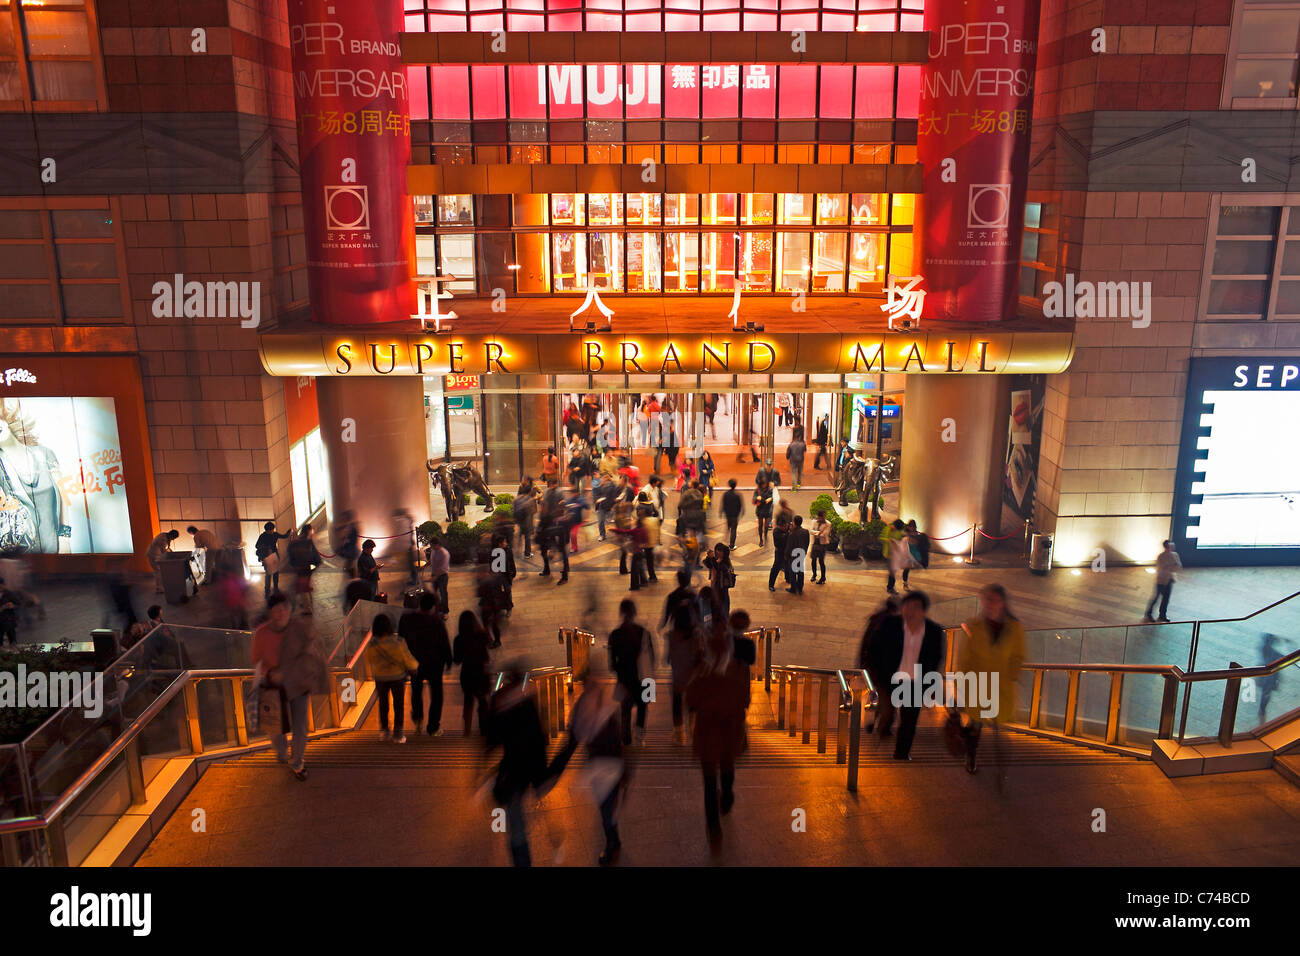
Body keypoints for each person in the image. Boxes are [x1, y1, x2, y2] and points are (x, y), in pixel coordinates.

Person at [545, 679, 628, 865]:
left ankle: (612, 844)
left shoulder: (599, 714)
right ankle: (614, 837)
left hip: (610, 769)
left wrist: (552, 772)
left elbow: (574, 744)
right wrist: (553, 772)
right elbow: (572, 744)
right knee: (605, 808)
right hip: (601, 769)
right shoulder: (595, 712)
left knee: (606, 809)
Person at [686, 627, 751, 850]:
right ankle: (728, 796)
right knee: (727, 765)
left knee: (709, 781)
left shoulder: (703, 672)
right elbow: (745, 699)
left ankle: (714, 828)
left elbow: (691, 700)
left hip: (707, 734)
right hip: (730, 731)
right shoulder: (740, 668)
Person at [251, 593, 326, 780]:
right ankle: (282, 752)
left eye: (284, 608)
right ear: (270, 612)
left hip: (298, 684)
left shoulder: (299, 629)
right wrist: (269, 672)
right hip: (274, 688)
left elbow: (312, 652)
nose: (281, 613)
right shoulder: (262, 634)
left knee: (301, 726)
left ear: (290, 609)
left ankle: (297, 761)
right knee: (276, 727)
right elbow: (256, 660)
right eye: (276, 610)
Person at [865, 590, 945, 760]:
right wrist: (875, 675)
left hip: (915, 684)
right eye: (907, 606)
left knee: (909, 721)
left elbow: (936, 659)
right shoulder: (890, 624)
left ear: (923, 611)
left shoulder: (934, 632)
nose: (910, 611)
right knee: (887, 711)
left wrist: (929, 684)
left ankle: (901, 753)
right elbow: (873, 649)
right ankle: (883, 728)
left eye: (915, 607)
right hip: (889, 680)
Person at [957, 584, 1027, 774]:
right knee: (976, 724)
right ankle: (971, 754)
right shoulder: (973, 625)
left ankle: (984, 752)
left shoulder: (1015, 628)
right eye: (986, 599)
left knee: (996, 722)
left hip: (1001, 685)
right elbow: (964, 658)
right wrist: (962, 686)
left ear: (1003, 602)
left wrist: (1011, 676)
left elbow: (1018, 656)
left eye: (994, 600)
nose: (990, 604)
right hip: (977, 684)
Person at [486, 666, 549, 867]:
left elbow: (492, 736)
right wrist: (540, 777)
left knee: (516, 822)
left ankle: (522, 861)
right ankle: (522, 859)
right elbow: (539, 739)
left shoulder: (500, 701)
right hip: (527, 767)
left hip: (513, 769)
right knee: (516, 819)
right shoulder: (527, 703)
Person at [400, 593, 453, 736]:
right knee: (436, 696)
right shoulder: (437, 622)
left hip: (414, 663)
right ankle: (433, 727)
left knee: (416, 692)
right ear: (433, 606)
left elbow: (401, 639)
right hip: (434, 665)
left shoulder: (406, 619)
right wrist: (449, 661)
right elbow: (444, 643)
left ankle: (417, 721)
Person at [365, 613, 418, 743]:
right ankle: (398, 734)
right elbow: (406, 658)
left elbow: (369, 659)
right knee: (398, 705)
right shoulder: (398, 641)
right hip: (397, 677)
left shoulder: (372, 644)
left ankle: (384, 731)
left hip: (381, 678)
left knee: (383, 704)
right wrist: (414, 667)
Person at [608, 599, 654, 746]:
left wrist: (620, 670)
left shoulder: (614, 634)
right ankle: (640, 736)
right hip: (643, 677)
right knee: (643, 707)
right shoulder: (644, 632)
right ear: (635, 612)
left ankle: (625, 737)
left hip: (624, 677)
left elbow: (612, 665)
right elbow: (651, 658)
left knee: (625, 709)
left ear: (621, 612)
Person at [858, 596, 900, 733]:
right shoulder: (892, 624)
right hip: (886, 669)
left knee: (883, 696)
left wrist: (863, 663)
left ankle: (877, 722)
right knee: (889, 697)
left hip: (876, 668)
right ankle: (884, 726)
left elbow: (866, 642)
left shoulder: (876, 620)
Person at [453, 610, 492, 736]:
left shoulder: (458, 639)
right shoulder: (482, 635)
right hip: (481, 672)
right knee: (482, 701)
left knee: (468, 701)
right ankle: (485, 730)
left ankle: (467, 731)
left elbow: (457, 660)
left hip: (467, 673)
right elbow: (489, 645)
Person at [1143, 540, 1183, 623]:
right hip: (1161, 581)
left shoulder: (1175, 555)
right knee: (1156, 598)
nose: (1173, 548)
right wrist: (1172, 567)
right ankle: (1148, 614)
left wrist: (1170, 567)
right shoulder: (1161, 556)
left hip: (1170, 580)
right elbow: (1163, 569)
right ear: (1166, 547)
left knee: (1166, 599)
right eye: (1171, 546)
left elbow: (1178, 567)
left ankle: (1162, 615)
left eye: (1173, 546)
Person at [286, 524, 321, 616]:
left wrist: (293, 564)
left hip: (298, 567)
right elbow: (314, 555)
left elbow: (290, 553)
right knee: (304, 587)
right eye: (311, 530)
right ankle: (307, 607)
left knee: (303, 586)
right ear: (309, 531)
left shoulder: (295, 541)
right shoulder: (308, 542)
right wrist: (316, 563)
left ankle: (305, 604)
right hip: (305, 567)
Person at [255, 522, 291, 598]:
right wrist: (267, 548)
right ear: (267, 530)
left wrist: (289, 531)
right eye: (271, 530)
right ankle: (267, 589)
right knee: (268, 573)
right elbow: (257, 545)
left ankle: (275, 588)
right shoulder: (263, 536)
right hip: (266, 557)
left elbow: (284, 536)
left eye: (273, 529)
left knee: (275, 572)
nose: (272, 531)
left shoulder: (274, 534)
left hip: (274, 556)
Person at [703, 543, 736, 620]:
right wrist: (709, 557)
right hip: (715, 587)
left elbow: (718, 568)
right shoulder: (715, 560)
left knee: (723, 608)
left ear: (724, 553)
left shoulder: (726, 562)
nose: (717, 552)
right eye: (717, 550)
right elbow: (707, 563)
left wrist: (713, 559)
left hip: (722, 588)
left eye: (720, 551)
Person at [883, 519, 914, 594]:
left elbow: (901, 538)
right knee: (892, 572)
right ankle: (890, 588)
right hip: (889, 554)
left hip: (896, 554)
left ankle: (891, 587)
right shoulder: (888, 529)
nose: (896, 530)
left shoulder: (900, 530)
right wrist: (889, 540)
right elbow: (882, 538)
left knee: (893, 571)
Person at [146, 529, 179, 594]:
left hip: (156, 555)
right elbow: (164, 550)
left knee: (159, 571)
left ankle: (161, 586)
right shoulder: (163, 539)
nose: (173, 540)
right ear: (171, 535)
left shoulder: (164, 535)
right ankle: (159, 588)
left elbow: (167, 548)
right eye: (173, 538)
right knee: (158, 572)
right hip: (153, 555)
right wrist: (172, 555)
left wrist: (171, 551)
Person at [785, 515, 811, 595]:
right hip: (801, 553)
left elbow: (789, 546)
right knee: (800, 571)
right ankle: (800, 587)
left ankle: (793, 588)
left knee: (793, 572)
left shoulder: (792, 534)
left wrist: (786, 555)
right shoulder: (806, 532)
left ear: (794, 523)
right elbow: (807, 542)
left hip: (794, 555)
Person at [332, 510, 360, 581]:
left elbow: (353, 538)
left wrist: (346, 540)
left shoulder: (352, 527)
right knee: (349, 562)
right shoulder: (349, 526)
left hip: (350, 548)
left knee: (350, 562)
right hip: (349, 548)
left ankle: (352, 576)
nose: (343, 520)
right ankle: (351, 575)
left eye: (344, 518)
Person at [767, 508, 790, 592]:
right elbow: (780, 542)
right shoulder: (776, 532)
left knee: (787, 566)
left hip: (787, 552)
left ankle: (788, 578)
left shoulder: (787, 529)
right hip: (780, 552)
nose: (785, 527)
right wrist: (788, 533)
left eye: (786, 525)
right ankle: (771, 584)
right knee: (776, 568)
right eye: (783, 526)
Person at [593, 471, 618, 542]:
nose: (604, 478)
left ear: (609, 478)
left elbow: (614, 496)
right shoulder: (600, 486)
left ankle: (618, 533)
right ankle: (602, 535)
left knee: (609, 521)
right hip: (601, 506)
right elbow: (596, 495)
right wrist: (597, 500)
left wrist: (612, 505)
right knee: (601, 521)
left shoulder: (612, 486)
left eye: (606, 477)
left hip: (609, 506)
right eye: (603, 477)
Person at [721, 478, 744, 549]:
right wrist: (741, 512)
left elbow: (723, 504)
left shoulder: (725, 494)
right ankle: (732, 545)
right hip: (735, 515)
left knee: (729, 526)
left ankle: (726, 536)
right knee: (734, 529)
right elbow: (740, 505)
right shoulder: (738, 494)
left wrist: (721, 512)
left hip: (728, 514)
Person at [810, 510, 831, 585]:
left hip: (823, 544)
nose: (824, 518)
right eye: (822, 516)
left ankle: (823, 577)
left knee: (821, 561)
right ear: (819, 517)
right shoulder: (814, 522)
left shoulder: (828, 524)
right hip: (815, 543)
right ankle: (814, 574)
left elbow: (825, 534)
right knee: (813, 560)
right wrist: (818, 533)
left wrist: (817, 533)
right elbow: (811, 531)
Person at [0, 577, 20, 647]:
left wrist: (13, 605)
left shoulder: (9, 594)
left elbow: (18, 603)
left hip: (9, 621)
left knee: (12, 641)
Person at [753, 479, 773, 548]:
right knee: (760, 525)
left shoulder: (769, 490)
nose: (764, 485)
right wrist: (757, 498)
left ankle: (765, 535)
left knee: (766, 525)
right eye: (763, 484)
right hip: (760, 510)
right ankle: (761, 539)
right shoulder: (757, 490)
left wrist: (770, 499)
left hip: (767, 510)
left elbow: (771, 498)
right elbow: (754, 498)